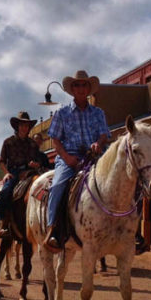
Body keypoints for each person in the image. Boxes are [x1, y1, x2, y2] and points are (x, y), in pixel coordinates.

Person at [45, 70, 110, 251]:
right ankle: (53, 228)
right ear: (72, 89)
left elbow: (104, 134)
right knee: (58, 185)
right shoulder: (62, 113)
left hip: (94, 156)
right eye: (77, 85)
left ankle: (126, 228)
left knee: (118, 178)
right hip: (69, 156)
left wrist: (98, 143)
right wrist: (67, 158)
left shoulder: (98, 113)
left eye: (84, 85)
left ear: (89, 89)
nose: (81, 88)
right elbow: (55, 140)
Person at [0, 111, 42, 238]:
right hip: (14, 172)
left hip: (30, 172)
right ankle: (3, 224)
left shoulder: (33, 144)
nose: (24, 128)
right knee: (5, 192)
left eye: (27, 125)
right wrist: (6, 173)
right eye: (22, 125)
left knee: (45, 188)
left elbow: (39, 161)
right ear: (17, 126)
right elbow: (1, 160)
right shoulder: (8, 142)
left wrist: (36, 164)